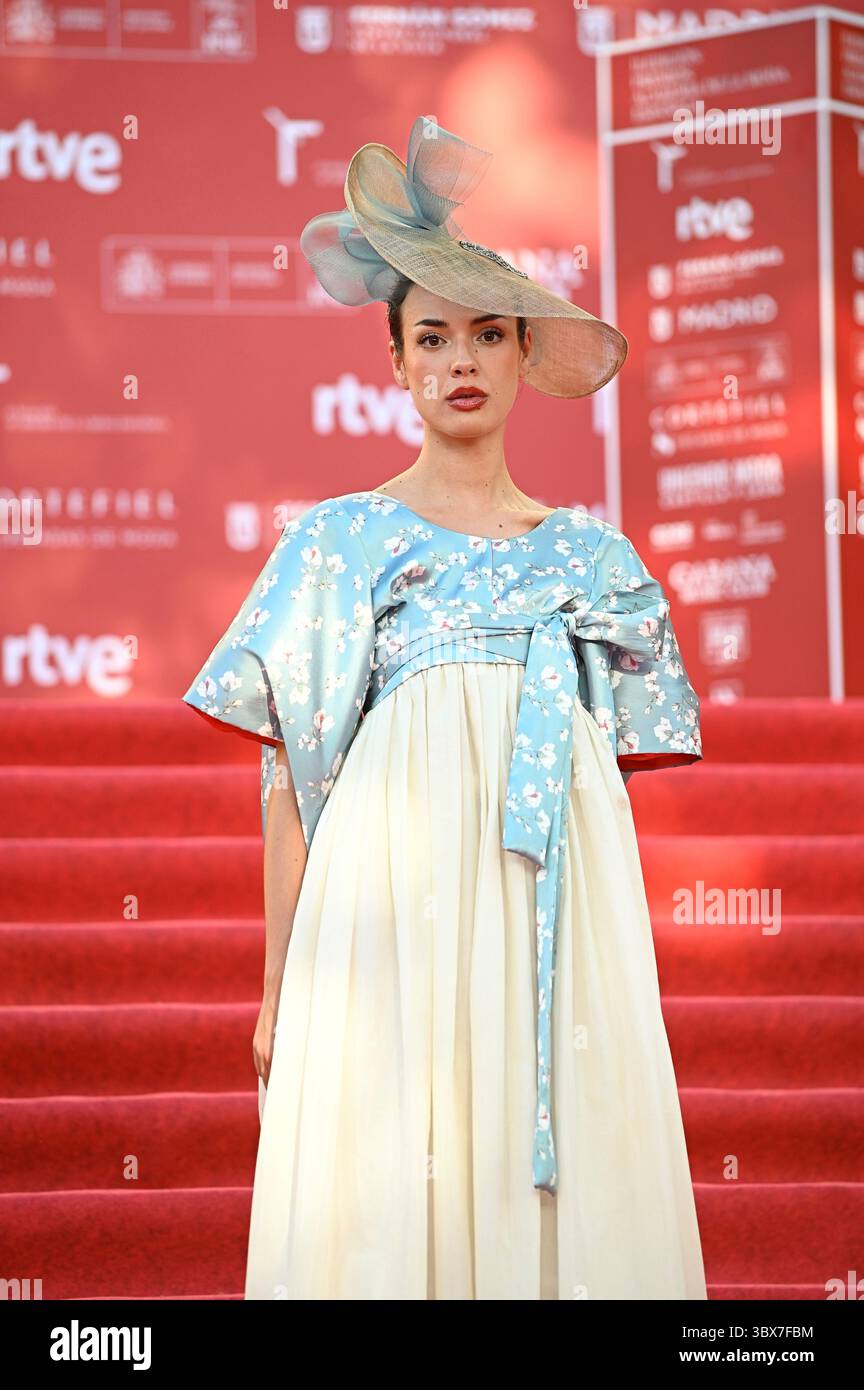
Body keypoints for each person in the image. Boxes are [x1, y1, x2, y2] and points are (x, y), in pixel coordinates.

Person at [182, 115, 707, 1300]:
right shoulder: (340, 540)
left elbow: (605, 793)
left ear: (524, 356)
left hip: (550, 916)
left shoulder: (595, 556)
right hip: (389, 906)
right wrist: (277, 991)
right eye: (432, 336)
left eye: (486, 334)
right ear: (397, 362)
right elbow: (290, 783)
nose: (459, 359)